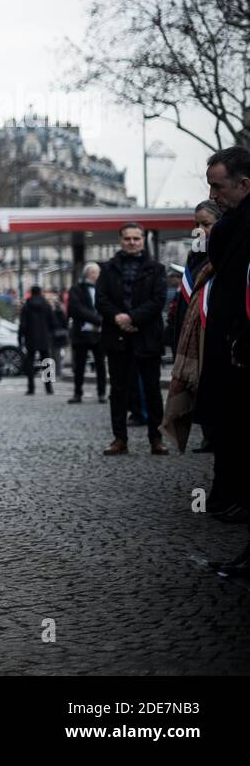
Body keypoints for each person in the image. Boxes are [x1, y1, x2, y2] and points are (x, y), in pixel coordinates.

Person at [197, 148, 250, 564]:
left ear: (243, 184)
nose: (212, 195)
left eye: (219, 185)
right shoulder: (232, 226)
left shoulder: (237, 228)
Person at [96, 222, 168, 455]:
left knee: (152, 390)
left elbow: (158, 301)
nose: (132, 242)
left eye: (136, 238)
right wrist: (118, 318)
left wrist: (132, 318)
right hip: (116, 337)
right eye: (127, 238)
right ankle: (119, 439)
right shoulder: (108, 269)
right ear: (120, 240)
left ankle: (156, 438)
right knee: (118, 390)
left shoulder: (156, 269)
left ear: (143, 239)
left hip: (146, 336)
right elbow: (101, 299)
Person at [162, 203, 221, 453]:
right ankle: (209, 434)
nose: (199, 230)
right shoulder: (194, 256)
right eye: (196, 225)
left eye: (205, 224)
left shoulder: (225, 255)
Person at [66, 263, 107, 404]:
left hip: (99, 334)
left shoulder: (103, 289)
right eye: (97, 272)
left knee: (100, 365)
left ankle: (102, 393)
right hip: (81, 334)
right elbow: (76, 308)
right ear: (89, 274)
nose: (99, 275)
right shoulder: (76, 289)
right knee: (80, 366)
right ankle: (78, 393)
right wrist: (98, 320)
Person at [19, 286, 56, 396]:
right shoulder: (46, 305)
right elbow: (53, 322)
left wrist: (20, 337)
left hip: (31, 337)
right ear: (40, 292)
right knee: (46, 362)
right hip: (44, 337)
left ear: (31, 293)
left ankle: (31, 388)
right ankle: (49, 388)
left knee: (30, 361)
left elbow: (23, 324)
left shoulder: (27, 305)